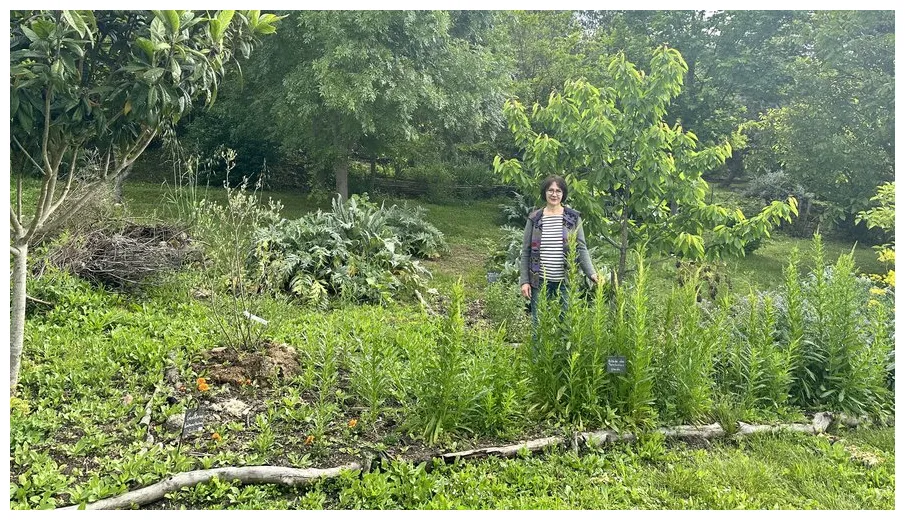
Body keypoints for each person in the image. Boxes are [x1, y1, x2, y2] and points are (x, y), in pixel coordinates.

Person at [519, 176, 599, 324]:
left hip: (566, 281)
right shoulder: (535, 218)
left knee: (567, 325)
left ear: (563, 194)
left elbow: (581, 247)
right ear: (545, 192)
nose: (554, 194)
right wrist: (524, 281)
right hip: (539, 281)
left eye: (558, 191)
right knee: (539, 325)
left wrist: (591, 273)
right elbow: (526, 251)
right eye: (550, 190)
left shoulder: (573, 218)